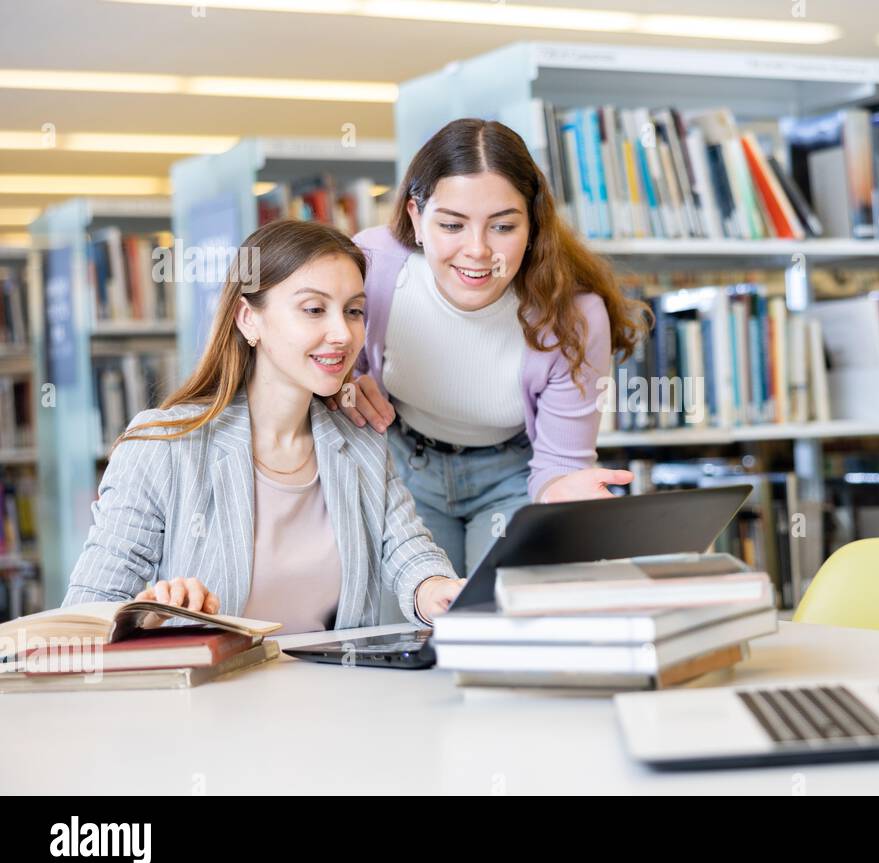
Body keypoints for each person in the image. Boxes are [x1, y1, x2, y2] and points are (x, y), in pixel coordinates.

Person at [63, 220, 463, 631]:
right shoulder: (163, 446)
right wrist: (147, 617)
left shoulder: (358, 441)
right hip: (214, 692)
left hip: (338, 691)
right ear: (248, 320)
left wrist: (432, 588)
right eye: (313, 309)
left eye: (354, 311)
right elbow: (84, 613)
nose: (342, 333)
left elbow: (408, 549)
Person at [335, 117, 650, 577]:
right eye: (452, 224)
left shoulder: (575, 316)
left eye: (502, 227)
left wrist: (559, 493)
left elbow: (559, 463)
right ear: (416, 218)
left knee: (502, 613)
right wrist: (347, 387)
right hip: (402, 464)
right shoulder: (373, 266)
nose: (478, 250)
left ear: (533, 226)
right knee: (410, 628)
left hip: (514, 476)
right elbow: (334, 366)